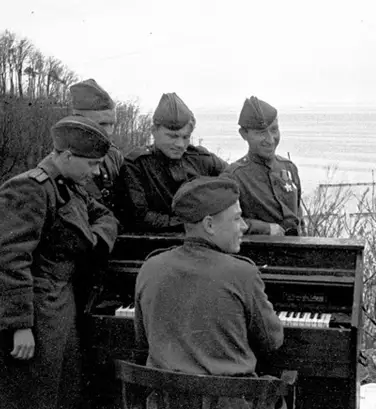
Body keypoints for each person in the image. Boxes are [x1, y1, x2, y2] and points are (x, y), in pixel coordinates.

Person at [0, 116, 119, 409]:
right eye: (92, 164)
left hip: (53, 308)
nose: (96, 172)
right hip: (27, 311)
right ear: (68, 156)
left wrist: (92, 240)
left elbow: (105, 217)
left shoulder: (68, 186)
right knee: (21, 396)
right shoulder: (28, 189)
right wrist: (19, 326)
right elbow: (7, 259)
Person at [134, 176, 284, 408]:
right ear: (209, 225)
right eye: (236, 218)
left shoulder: (150, 267)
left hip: (165, 403)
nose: (244, 226)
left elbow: (142, 340)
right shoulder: (242, 272)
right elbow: (272, 341)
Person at [117, 93, 227, 233]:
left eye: (186, 137)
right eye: (172, 136)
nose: (180, 144)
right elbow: (140, 217)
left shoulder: (202, 159)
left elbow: (232, 180)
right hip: (154, 243)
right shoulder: (135, 165)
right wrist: (193, 221)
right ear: (154, 131)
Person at [223, 96, 302, 236]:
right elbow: (225, 222)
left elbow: (298, 217)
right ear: (244, 134)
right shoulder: (234, 176)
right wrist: (266, 229)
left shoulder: (289, 168)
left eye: (274, 129)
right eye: (261, 133)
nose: (270, 140)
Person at [70, 78, 124, 210]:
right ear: (79, 122)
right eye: (102, 124)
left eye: (112, 124)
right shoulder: (63, 161)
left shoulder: (114, 156)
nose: (109, 132)